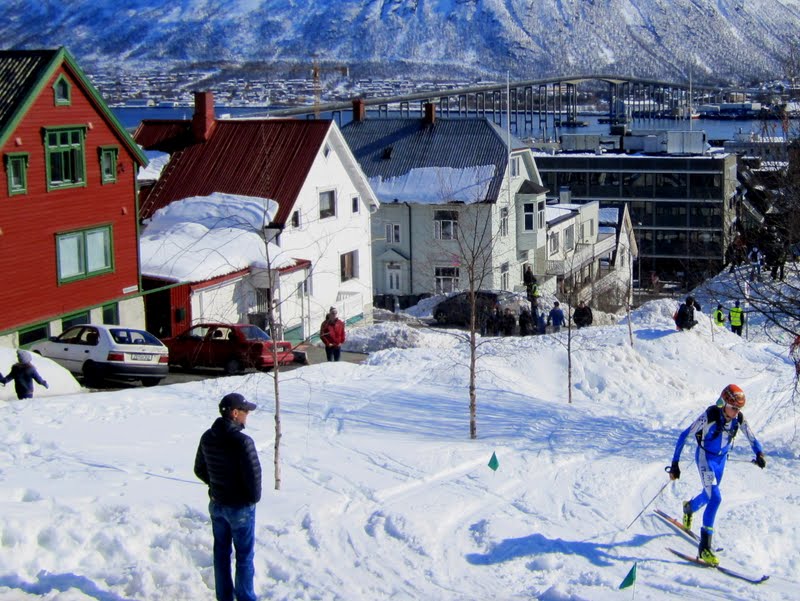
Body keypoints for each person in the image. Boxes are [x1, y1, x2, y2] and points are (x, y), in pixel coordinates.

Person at [668, 384, 765, 566]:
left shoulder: (739, 419)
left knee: (709, 495)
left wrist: (759, 453)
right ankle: (704, 548)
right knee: (716, 498)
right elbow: (684, 435)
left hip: (721, 462)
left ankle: (689, 508)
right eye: (734, 408)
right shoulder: (710, 415)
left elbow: (751, 436)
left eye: (739, 409)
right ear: (725, 403)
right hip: (705, 459)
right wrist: (675, 463)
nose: (737, 412)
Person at [195, 393, 262, 601]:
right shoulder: (242, 442)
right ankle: (245, 597)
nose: (246, 416)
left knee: (221, 553)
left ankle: (224, 597)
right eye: (245, 412)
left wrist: (216, 486)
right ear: (235, 413)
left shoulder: (208, 436)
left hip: (217, 504)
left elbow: (199, 469)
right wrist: (250, 499)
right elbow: (254, 479)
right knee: (244, 556)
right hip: (240, 507)